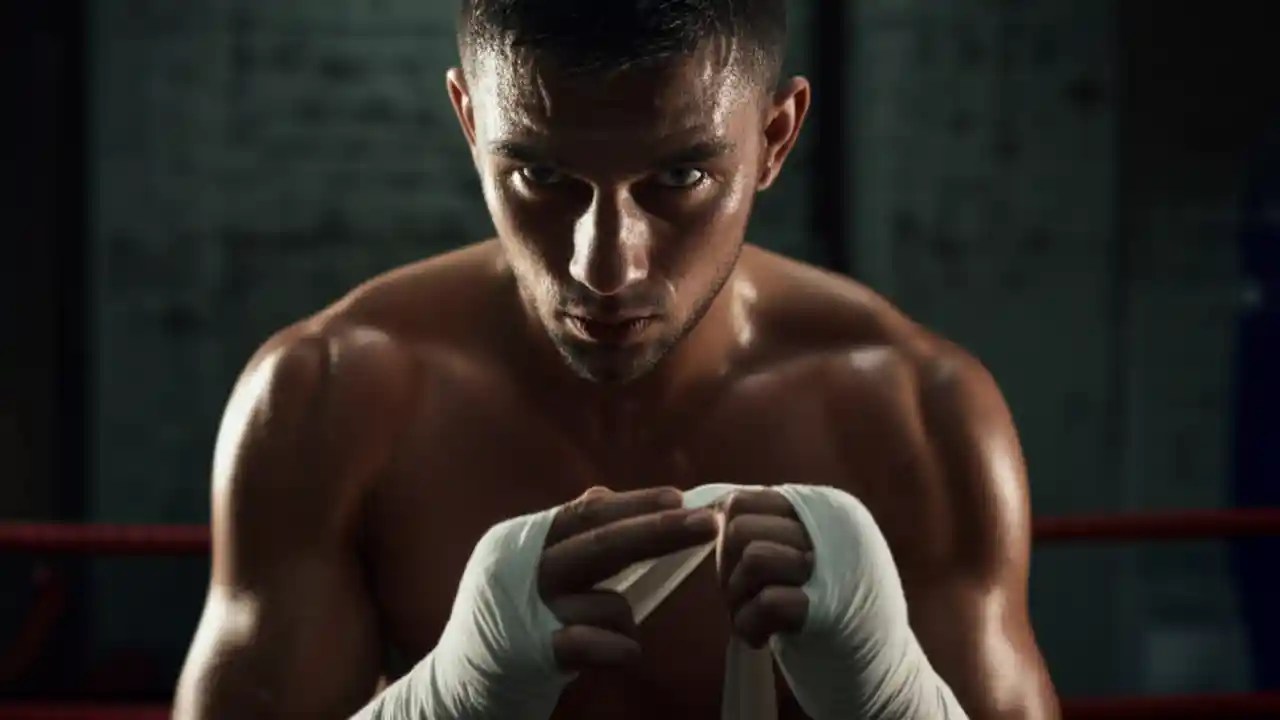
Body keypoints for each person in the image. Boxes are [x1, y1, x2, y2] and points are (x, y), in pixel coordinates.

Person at [173, 1, 1060, 717]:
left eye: (678, 179)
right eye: (540, 176)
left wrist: (888, 695)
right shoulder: (326, 398)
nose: (604, 267)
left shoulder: (917, 417)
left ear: (776, 138)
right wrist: (447, 699)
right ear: (470, 122)